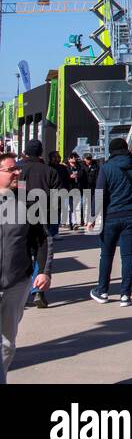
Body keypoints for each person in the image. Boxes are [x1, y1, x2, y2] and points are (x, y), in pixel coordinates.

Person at [0, 151, 52, 383]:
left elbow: (41, 239)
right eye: (11, 169)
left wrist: (43, 270)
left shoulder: (27, 201)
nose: (17, 172)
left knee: (7, 344)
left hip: (15, 283)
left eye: (16, 169)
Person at [90, 137, 132, 306]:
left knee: (106, 254)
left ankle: (102, 291)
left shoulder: (106, 168)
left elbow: (99, 193)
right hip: (131, 215)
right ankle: (126, 295)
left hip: (111, 216)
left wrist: (92, 217)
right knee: (128, 255)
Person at [17, 140, 58, 309]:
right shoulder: (49, 171)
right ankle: (39, 289)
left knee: (22, 252)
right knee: (43, 253)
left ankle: (20, 290)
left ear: (25, 152)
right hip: (43, 216)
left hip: (20, 217)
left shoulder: (18, 170)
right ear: (41, 152)